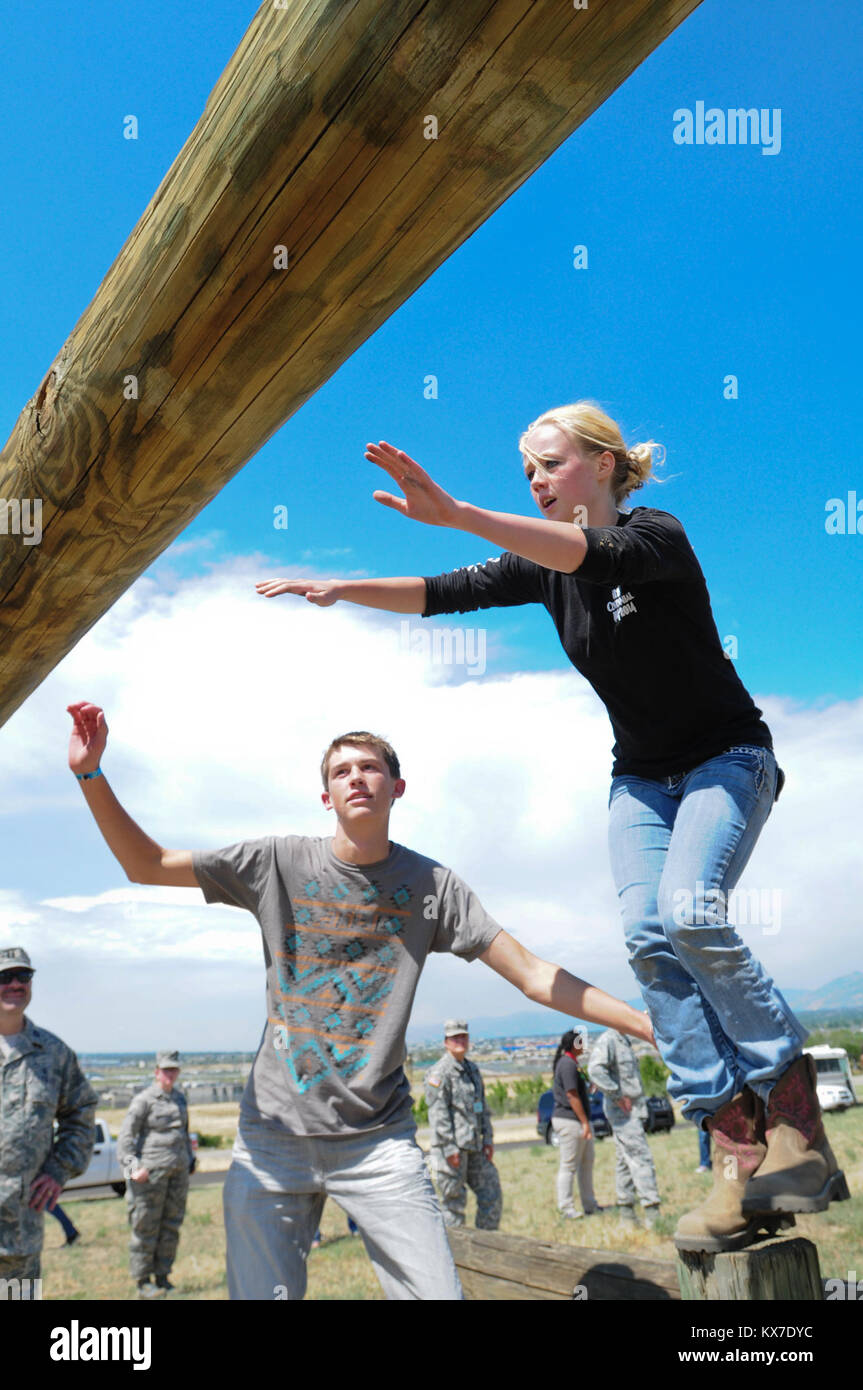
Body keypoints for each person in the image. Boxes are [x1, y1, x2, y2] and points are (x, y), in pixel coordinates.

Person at [254, 401, 848, 1251]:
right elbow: (442, 593)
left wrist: (454, 511)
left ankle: (797, 1131)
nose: (535, 480)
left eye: (550, 463)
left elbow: (581, 549)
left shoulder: (656, 537)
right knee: (647, 936)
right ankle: (734, 1155)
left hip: (726, 758)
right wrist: (341, 588)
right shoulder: (541, 570)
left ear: (602, 464)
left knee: (687, 910)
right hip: (640, 779)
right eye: (525, 471)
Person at [68, 702, 654, 1301]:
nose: (355, 777)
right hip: (273, 1138)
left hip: (377, 1140)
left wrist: (640, 1021)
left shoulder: (433, 888)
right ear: (326, 796)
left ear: (396, 788)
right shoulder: (277, 863)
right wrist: (91, 774)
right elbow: (146, 865)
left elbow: (532, 974)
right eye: (341, 771)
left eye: (369, 767)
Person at [0, 947, 96, 1297]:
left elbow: (81, 1113)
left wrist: (59, 1170)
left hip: (19, 1235)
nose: (14, 984)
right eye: (4, 977)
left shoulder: (53, 1054)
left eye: (23, 976)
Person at [117, 1049, 195, 1299]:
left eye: (174, 1069)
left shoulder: (180, 1099)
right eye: (166, 1070)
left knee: (171, 1225)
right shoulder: (145, 1100)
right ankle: (143, 1281)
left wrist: (190, 1160)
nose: (170, 1074)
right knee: (145, 1227)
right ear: (156, 1072)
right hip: (150, 1175)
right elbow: (126, 1137)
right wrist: (132, 1169)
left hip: (177, 1172)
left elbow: (184, 1132)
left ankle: (163, 1275)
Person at [424, 1020, 501, 1229]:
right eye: (455, 1037)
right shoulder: (439, 1073)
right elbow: (438, 1113)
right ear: (446, 1042)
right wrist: (449, 1147)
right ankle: (456, 1256)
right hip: (452, 1150)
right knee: (453, 1205)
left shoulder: (472, 1070)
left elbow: (482, 1108)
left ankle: (486, 1245)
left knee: (491, 1193)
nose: (460, 1041)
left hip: (475, 1146)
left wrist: (489, 1139)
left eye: (463, 1037)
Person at [588, 1027, 660, 1227]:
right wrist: (617, 1095)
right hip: (623, 1112)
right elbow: (595, 1070)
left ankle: (627, 1213)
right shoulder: (609, 1039)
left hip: (632, 1109)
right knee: (640, 1156)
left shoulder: (623, 1040)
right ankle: (652, 1213)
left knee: (625, 1161)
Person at [550, 1027, 601, 1220]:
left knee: (587, 1162)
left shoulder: (573, 1064)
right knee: (569, 1165)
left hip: (578, 1121)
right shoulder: (567, 1065)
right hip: (570, 1120)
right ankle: (566, 1207)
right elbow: (571, 1095)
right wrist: (584, 1122)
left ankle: (590, 1204)